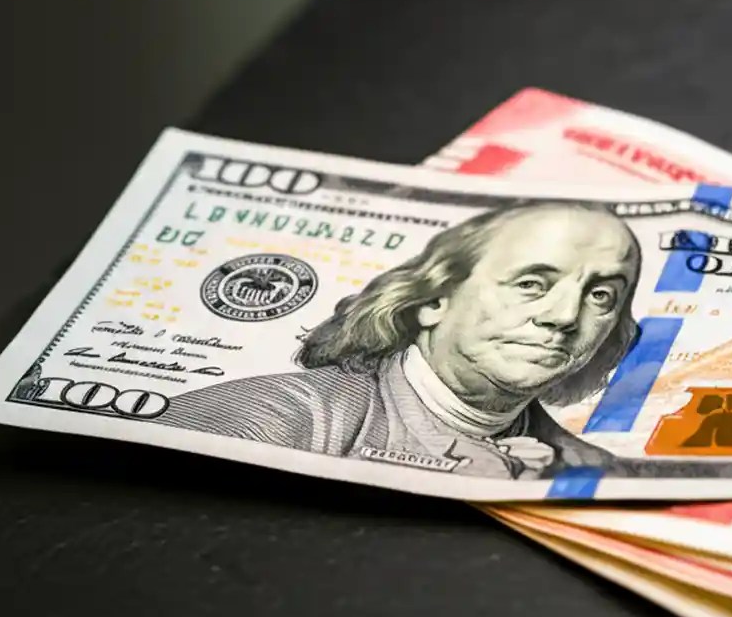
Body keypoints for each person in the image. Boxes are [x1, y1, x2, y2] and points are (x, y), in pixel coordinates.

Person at [156, 201, 640, 480]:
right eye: (531, 284)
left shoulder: (597, 473)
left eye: (600, 295)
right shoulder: (264, 420)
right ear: (435, 299)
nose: (563, 317)